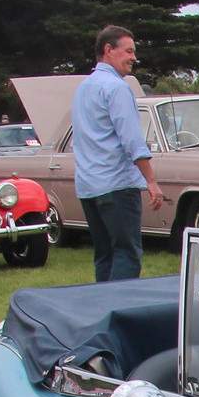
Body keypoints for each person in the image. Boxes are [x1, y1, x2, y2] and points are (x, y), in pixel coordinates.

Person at [70, 25, 164, 282]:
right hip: (117, 184)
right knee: (126, 253)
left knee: (104, 254)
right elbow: (132, 140)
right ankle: (121, 310)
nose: (134, 57)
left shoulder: (83, 88)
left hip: (89, 185)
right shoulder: (117, 88)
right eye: (129, 51)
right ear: (108, 50)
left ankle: (104, 311)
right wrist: (152, 181)